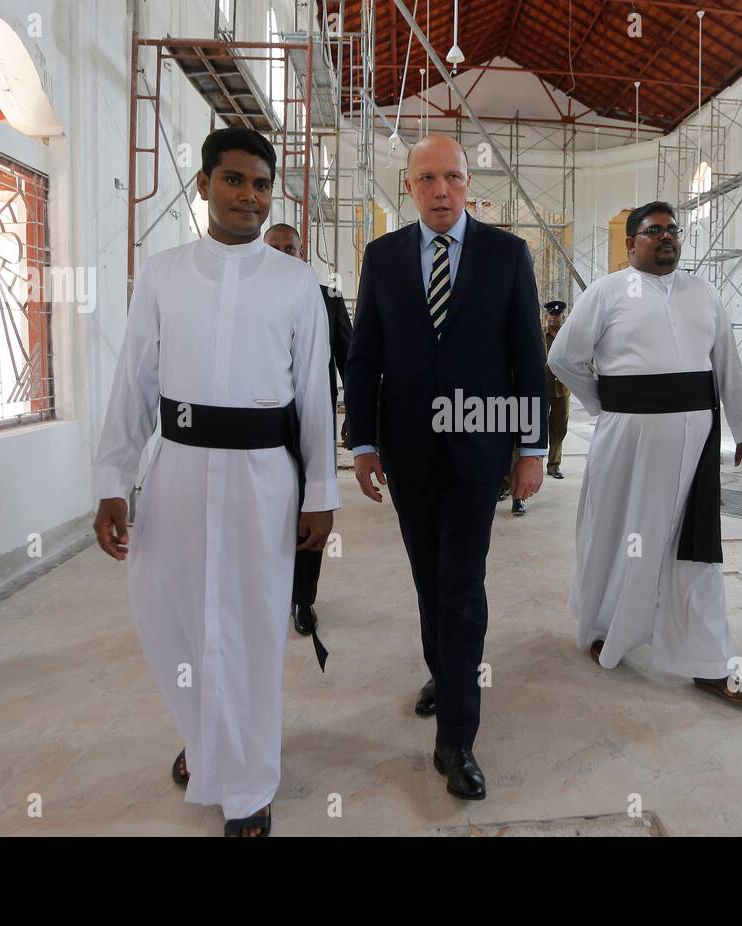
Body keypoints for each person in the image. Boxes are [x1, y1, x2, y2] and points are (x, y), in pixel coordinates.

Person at [92, 128, 339, 837]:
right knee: (171, 611)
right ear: (203, 185)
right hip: (178, 471)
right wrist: (113, 479)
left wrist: (321, 492)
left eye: (261, 185)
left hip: (265, 478)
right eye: (234, 180)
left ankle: (250, 783)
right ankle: (206, 743)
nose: (249, 196)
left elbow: (316, 400)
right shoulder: (163, 274)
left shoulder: (295, 285)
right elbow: (134, 383)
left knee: (253, 628)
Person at [345, 134, 547, 801]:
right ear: (408, 186)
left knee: (462, 584)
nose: (440, 190)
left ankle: (457, 737)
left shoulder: (507, 255)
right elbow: (365, 355)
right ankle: (445, 670)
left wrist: (531, 450)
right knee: (428, 575)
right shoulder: (382, 257)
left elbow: (525, 359)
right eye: (427, 178)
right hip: (406, 451)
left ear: (470, 186)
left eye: (452, 177)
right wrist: (363, 442)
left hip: (477, 449)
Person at [547, 201, 742, 705]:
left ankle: (707, 661)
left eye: (673, 230)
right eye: (653, 231)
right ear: (631, 243)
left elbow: (727, 369)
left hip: (695, 444)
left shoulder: (703, 292)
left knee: (694, 549)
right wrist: (607, 403)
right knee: (619, 533)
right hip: (627, 441)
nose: (666, 237)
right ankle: (606, 627)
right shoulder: (606, 292)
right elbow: (563, 358)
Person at [264, 223, 353, 637]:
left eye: (290, 248)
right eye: (275, 248)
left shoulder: (328, 298)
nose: (283, 254)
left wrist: (356, 414)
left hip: (311, 421)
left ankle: (303, 599)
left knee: (309, 508)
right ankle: (265, 594)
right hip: (259, 427)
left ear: (303, 253)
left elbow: (350, 360)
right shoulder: (248, 295)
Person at [544, 300, 570, 479]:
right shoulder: (538, 335)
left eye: (557, 315)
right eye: (551, 315)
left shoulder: (568, 336)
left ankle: (554, 465)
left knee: (559, 428)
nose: (554, 317)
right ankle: (532, 462)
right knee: (536, 427)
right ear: (546, 317)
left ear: (563, 317)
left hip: (562, 390)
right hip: (541, 389)